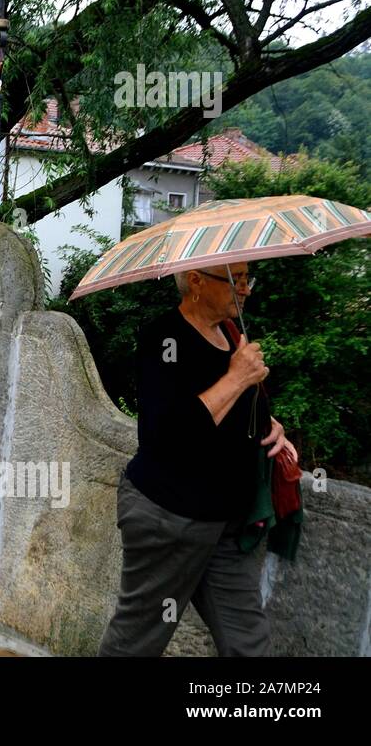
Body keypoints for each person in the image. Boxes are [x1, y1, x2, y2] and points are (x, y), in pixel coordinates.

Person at [98, 262, 297, 656]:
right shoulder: (164, 339)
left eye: (247, 278)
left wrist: (269, 425)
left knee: (248, 642)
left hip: (224, 523)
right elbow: (167, 435)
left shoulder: (230, 334)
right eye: (236, 279)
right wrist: (237, 377)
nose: (246, 289)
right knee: (137, 641)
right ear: (196, 282)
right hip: (169, 519)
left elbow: (233, 413)